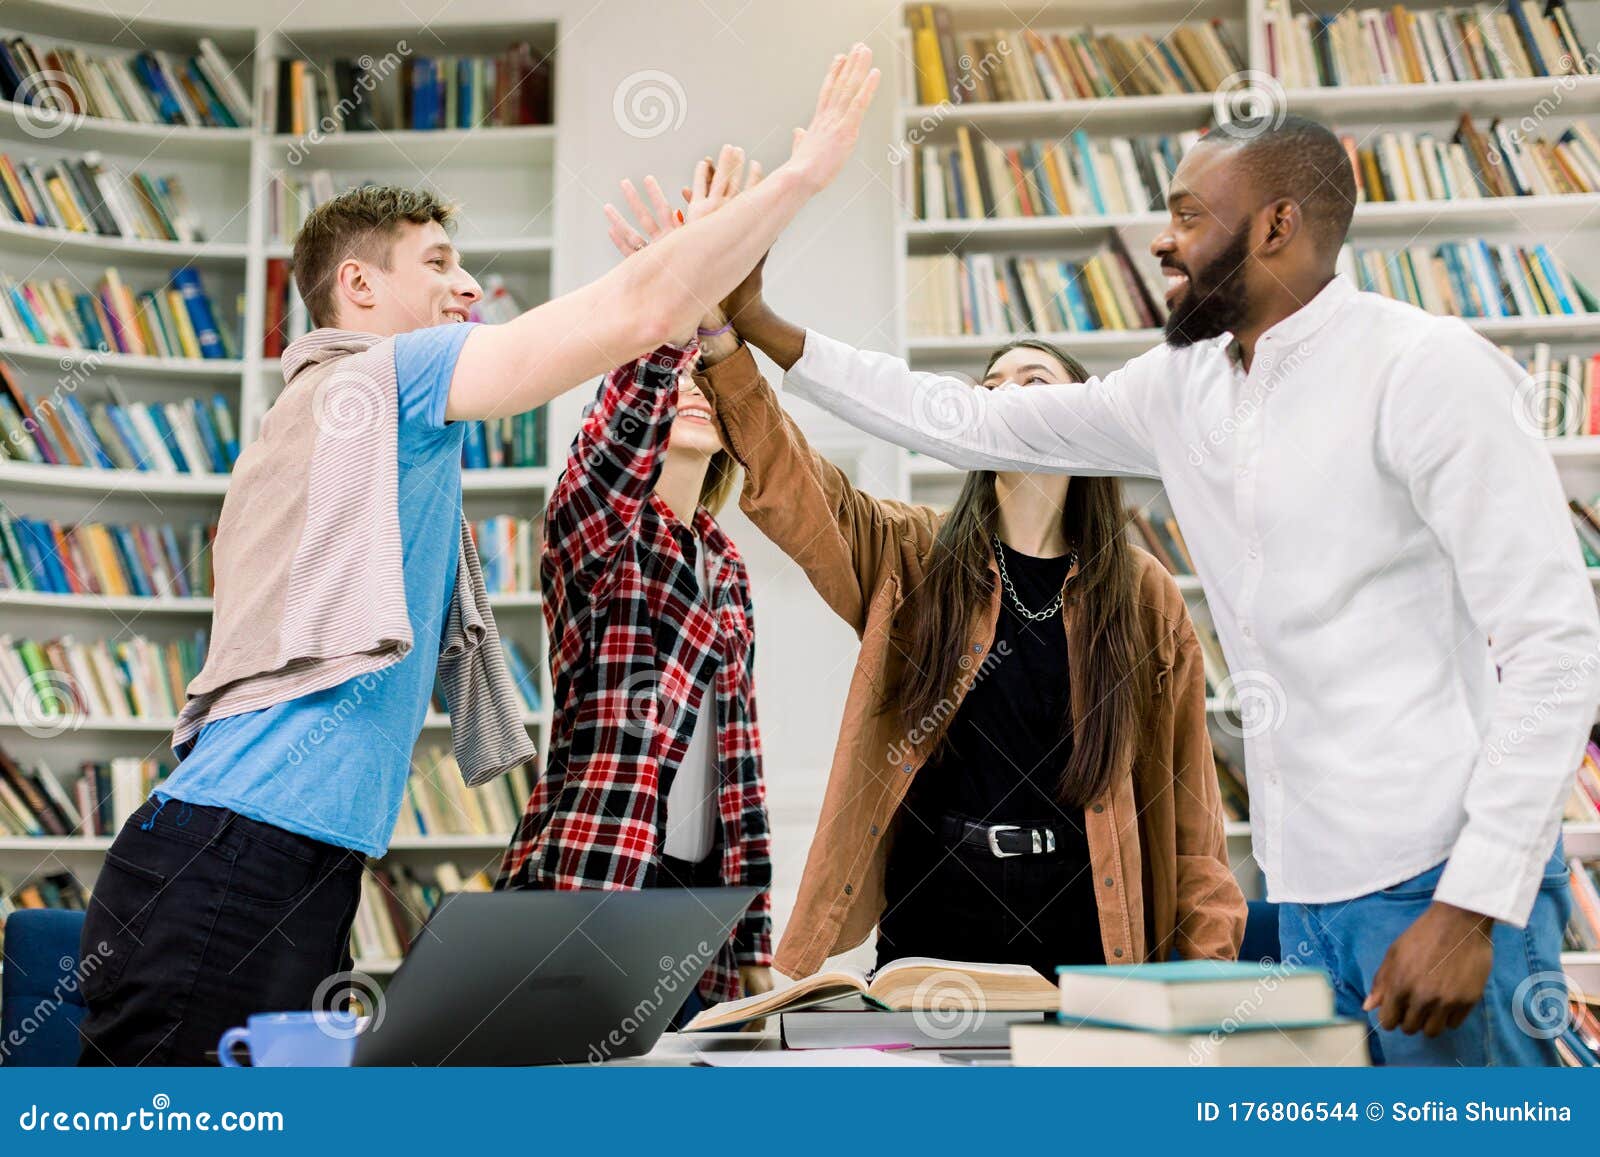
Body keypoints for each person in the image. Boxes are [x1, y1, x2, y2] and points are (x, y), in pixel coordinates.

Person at [75, 44, 880, 1066]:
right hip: (235, 852)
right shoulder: (374, 380)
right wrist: (794, 182)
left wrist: (679, 286)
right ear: (357, 284)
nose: (468, 287)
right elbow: (620, 325)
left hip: (288, 857)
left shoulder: (363, 424)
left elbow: (633, 326)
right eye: (439, 265)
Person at [745, 112, 1599, 1064]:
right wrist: (768, 329)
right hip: (1305, 898)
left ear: (1277, 226)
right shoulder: (1183, 386)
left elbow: (1556, 647)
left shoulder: (1426, 370)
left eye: (1189, 215)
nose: (1161, 239)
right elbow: (963, 421)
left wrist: (1473, 904)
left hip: (1440, 889)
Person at [606, 195, 1246, 978]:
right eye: (991, 384)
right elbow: (797, 484)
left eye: (1035, 378)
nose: (1006, 394)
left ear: (1081, 419)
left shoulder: (1144, 593)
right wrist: (722, 339)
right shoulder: (914, 552)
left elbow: (1193, 825)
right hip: (938, 915)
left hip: (1089, 927)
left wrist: (1207, 985)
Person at [497, 156, 774, 1028]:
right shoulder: (597, 530)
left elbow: (742, 761)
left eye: (705, 380)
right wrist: (674, 314)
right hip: (591, 888)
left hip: (700, 921)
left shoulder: (726, 565)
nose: (691, 389)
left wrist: (755, 940)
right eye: (677, 379)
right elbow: (611, 446)